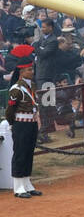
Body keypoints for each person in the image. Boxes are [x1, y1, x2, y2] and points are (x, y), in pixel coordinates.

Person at [6, 44, 41, 197]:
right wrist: (12, 124)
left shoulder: (31, 86)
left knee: (28, 153)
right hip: (20, 124)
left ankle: (27, 182)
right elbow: (10, 111)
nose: (31, 72)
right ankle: (18, 186)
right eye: (28, 70)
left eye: (32, 69)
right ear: (21, 72)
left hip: (31, 124)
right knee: (20, 153)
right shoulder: (16, 89)